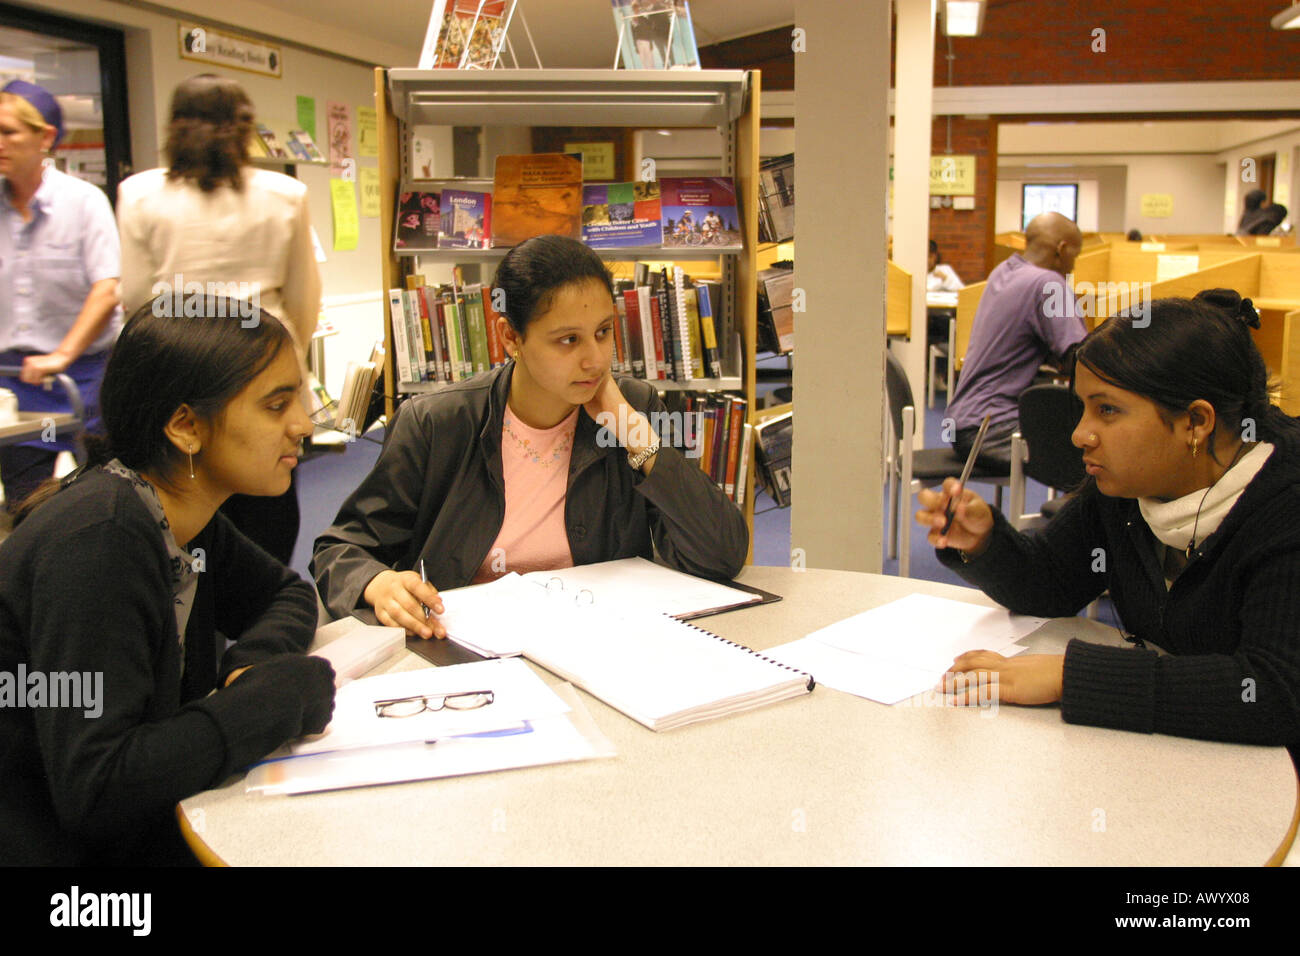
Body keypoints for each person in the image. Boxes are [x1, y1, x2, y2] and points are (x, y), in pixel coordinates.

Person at [0, 298, 335, 865]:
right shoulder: (100, 540)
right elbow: (99, 789)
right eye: (277, 405)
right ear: (186, 427)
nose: (303, 423)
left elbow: (285, 593)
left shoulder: (183, 510)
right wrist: (269, 703)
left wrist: (252, 664)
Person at [915, 289, 1300, 750]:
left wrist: (1069, 676)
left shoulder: (1284, 503)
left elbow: (1273, 693)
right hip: (1177, 755)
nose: (1080, 434)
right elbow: (1051, 583)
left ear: (1195, 423)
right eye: (1083, 407)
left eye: (1108, 410)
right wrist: (984, 543)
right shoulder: (1127, 487)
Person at [312, 235, 749, 638]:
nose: (594, 360)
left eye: (602, 332)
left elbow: (721, 554)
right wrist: (378, 581)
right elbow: (340, 549)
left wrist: (634, 434)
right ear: (509, 337)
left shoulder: (635, 409)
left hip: (597, 643)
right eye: (567, 340)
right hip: (462, 650)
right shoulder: (437, 422)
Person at [117, 73, 321, 563]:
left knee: (183, 501)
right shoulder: (285, 194)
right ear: (244, 126)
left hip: (182, 377)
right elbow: (303, 301)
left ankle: (191, 624)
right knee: (267, 499)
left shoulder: (139, 195)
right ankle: (259, 611)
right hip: (264, 370)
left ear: (174, 126)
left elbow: (137, 301)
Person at [0, 80, 121, 514]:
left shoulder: (84, 202)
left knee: (103, 499)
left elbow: (107, 289)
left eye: (9, 132)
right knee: (24, 508)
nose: (0, 143)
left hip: (84, 378)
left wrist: (62, 355)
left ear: (45, 138)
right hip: (15, 380)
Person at [945, 212, 1086, 468]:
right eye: (1074, 256)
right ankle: (1066, 509)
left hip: (960, 423)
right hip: (992, 430)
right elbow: (1081, 361)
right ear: (1062, 248)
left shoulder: (1004, 271)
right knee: (1098, 450)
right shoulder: (1048, 283)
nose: (1073, 266)